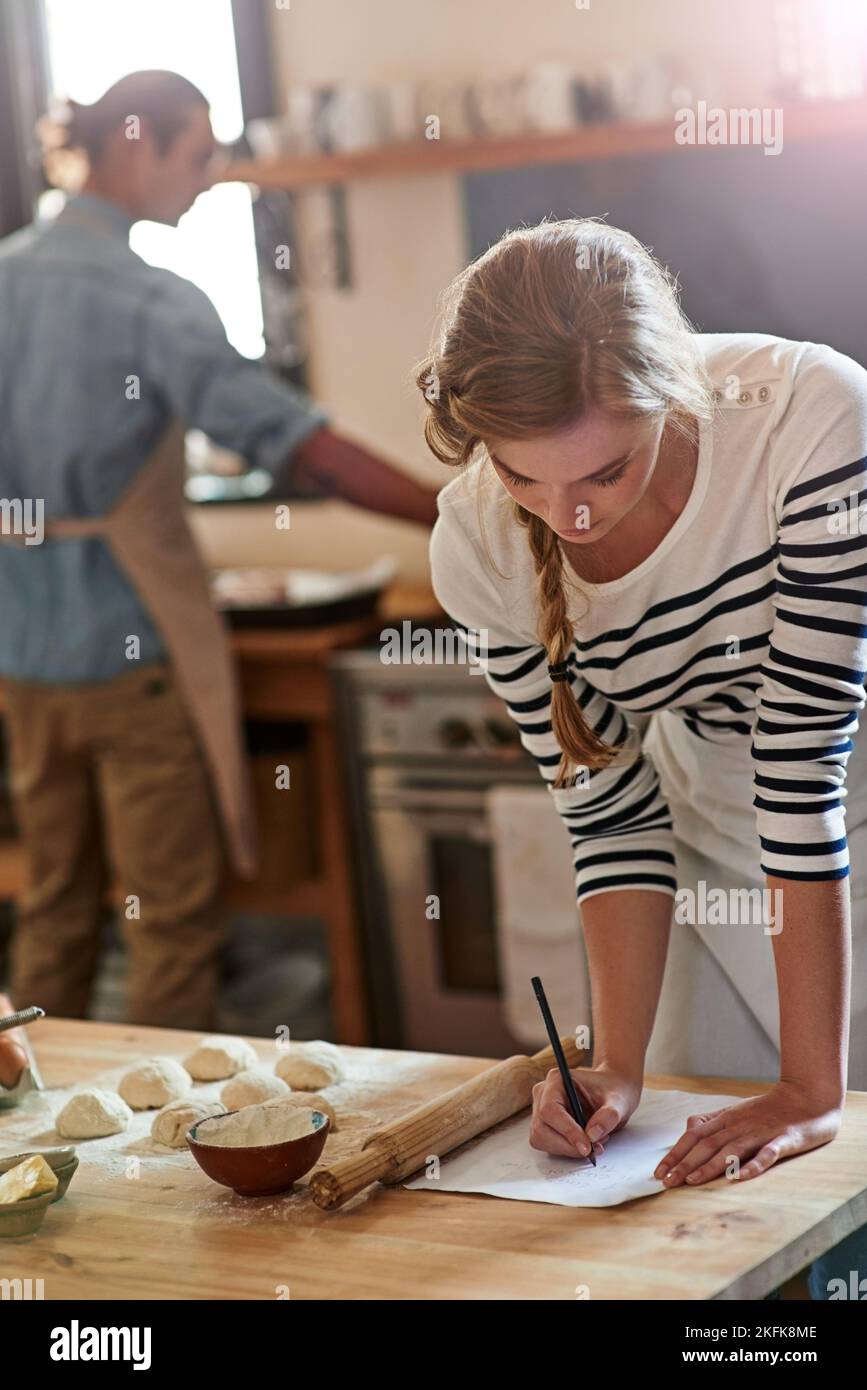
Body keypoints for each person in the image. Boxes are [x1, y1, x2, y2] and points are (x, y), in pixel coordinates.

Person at [420, 218, 867, 1300]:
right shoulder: (478, 541)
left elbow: (803, 766)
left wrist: (810, 1085)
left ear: (671, 389)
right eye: (528, 479)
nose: (568, 516)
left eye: (605, 471)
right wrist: (609, 1065)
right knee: (702, 1187)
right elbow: (608, 810)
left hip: (837, 792)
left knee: (839, 1155)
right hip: (719, 811)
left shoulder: (812, 420)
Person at [0, 71, 437, 1031]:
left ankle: (31, 1146)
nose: (208, 180)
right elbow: (299, 445)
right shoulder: (150, 297)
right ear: (133, 142)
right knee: (168, 923)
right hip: (132, 651)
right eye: (197, 156)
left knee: (54, 910)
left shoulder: (8, 274)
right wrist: (459, 510)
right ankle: (156, 1165)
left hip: (20, 658)